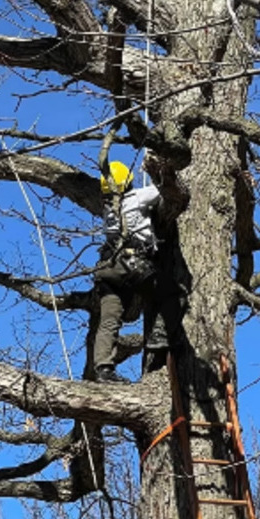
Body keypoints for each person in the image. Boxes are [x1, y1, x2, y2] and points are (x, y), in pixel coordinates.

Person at [92, 160, 167, 384]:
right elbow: (164, 190)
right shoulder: (137, 197)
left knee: (109, 321)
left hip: (107, 269)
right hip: (130, 264)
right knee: (165, 291)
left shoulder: (108, 210)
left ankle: (103, 368)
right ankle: (158, 335)